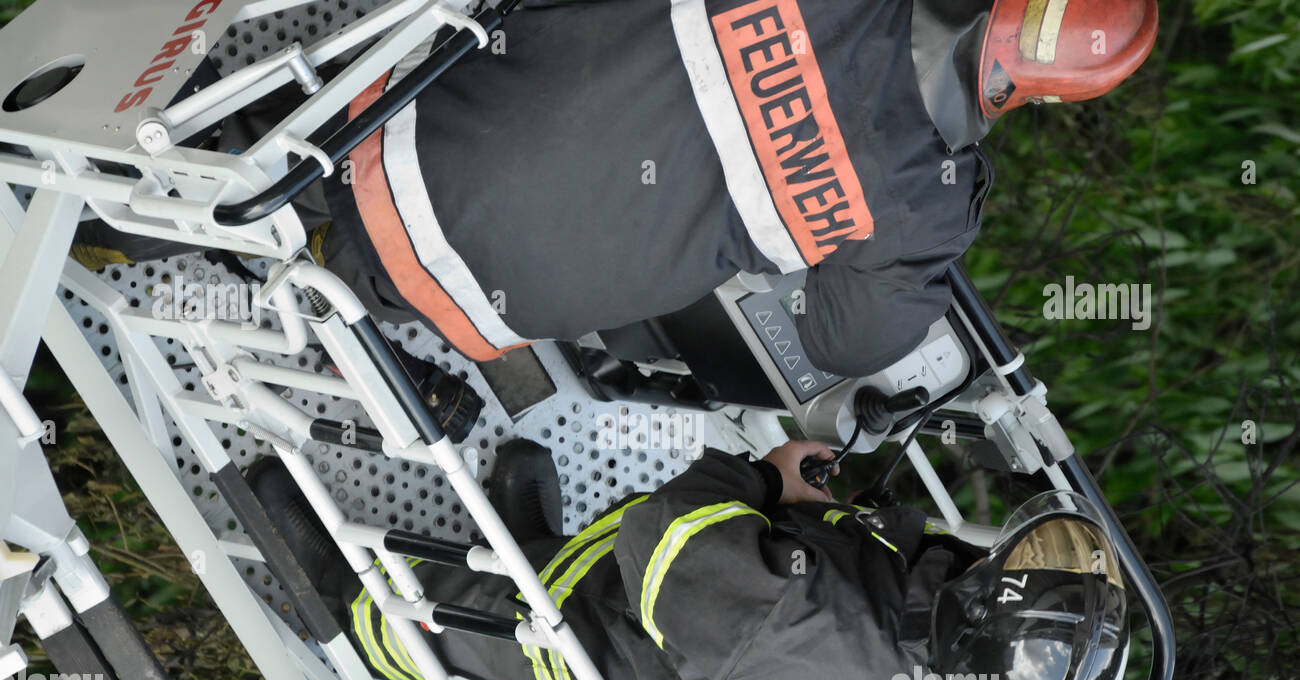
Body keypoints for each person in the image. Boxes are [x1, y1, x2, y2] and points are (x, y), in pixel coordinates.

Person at [76, 0, 1159, 378]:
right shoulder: (924, 211)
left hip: (381, 114)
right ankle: (121, 249)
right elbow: (841, 345)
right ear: (1047, 95)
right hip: (445, 290)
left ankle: (110, 162)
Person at [250, 435, 1129, 680]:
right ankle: (525, 541)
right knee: (631, 572)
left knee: (544, 611)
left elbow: (669, 534)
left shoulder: (806, 633)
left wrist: (765, 478)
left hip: (636, 674)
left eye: (998, 572)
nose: (990, 559)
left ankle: (342, 606)